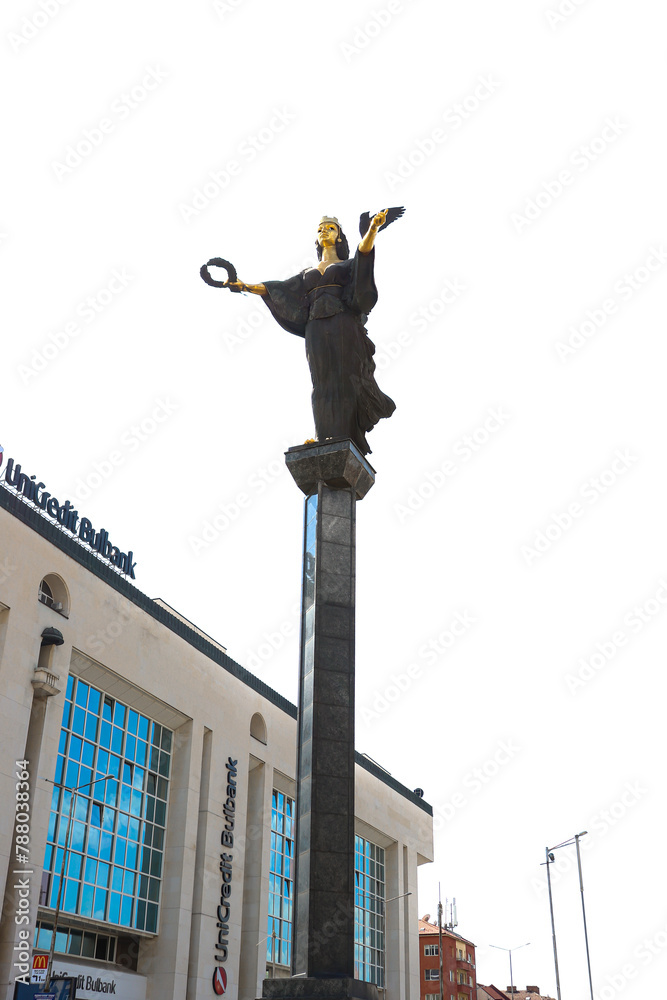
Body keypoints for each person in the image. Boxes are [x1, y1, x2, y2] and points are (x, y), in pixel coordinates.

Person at [225, 211, 396, 455]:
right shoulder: (307, 273)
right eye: (320, 229)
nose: (324, 231)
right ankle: (323, 436)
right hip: (316, 326)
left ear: (339, 237)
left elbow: (364, 253)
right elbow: (279, 289)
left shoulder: (347, 265)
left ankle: (346, 435)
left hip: (343, 324)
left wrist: (372, 229)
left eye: (330, 228)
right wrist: (244, 286)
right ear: (316, 240)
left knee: (345, 378)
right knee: (321, 381)